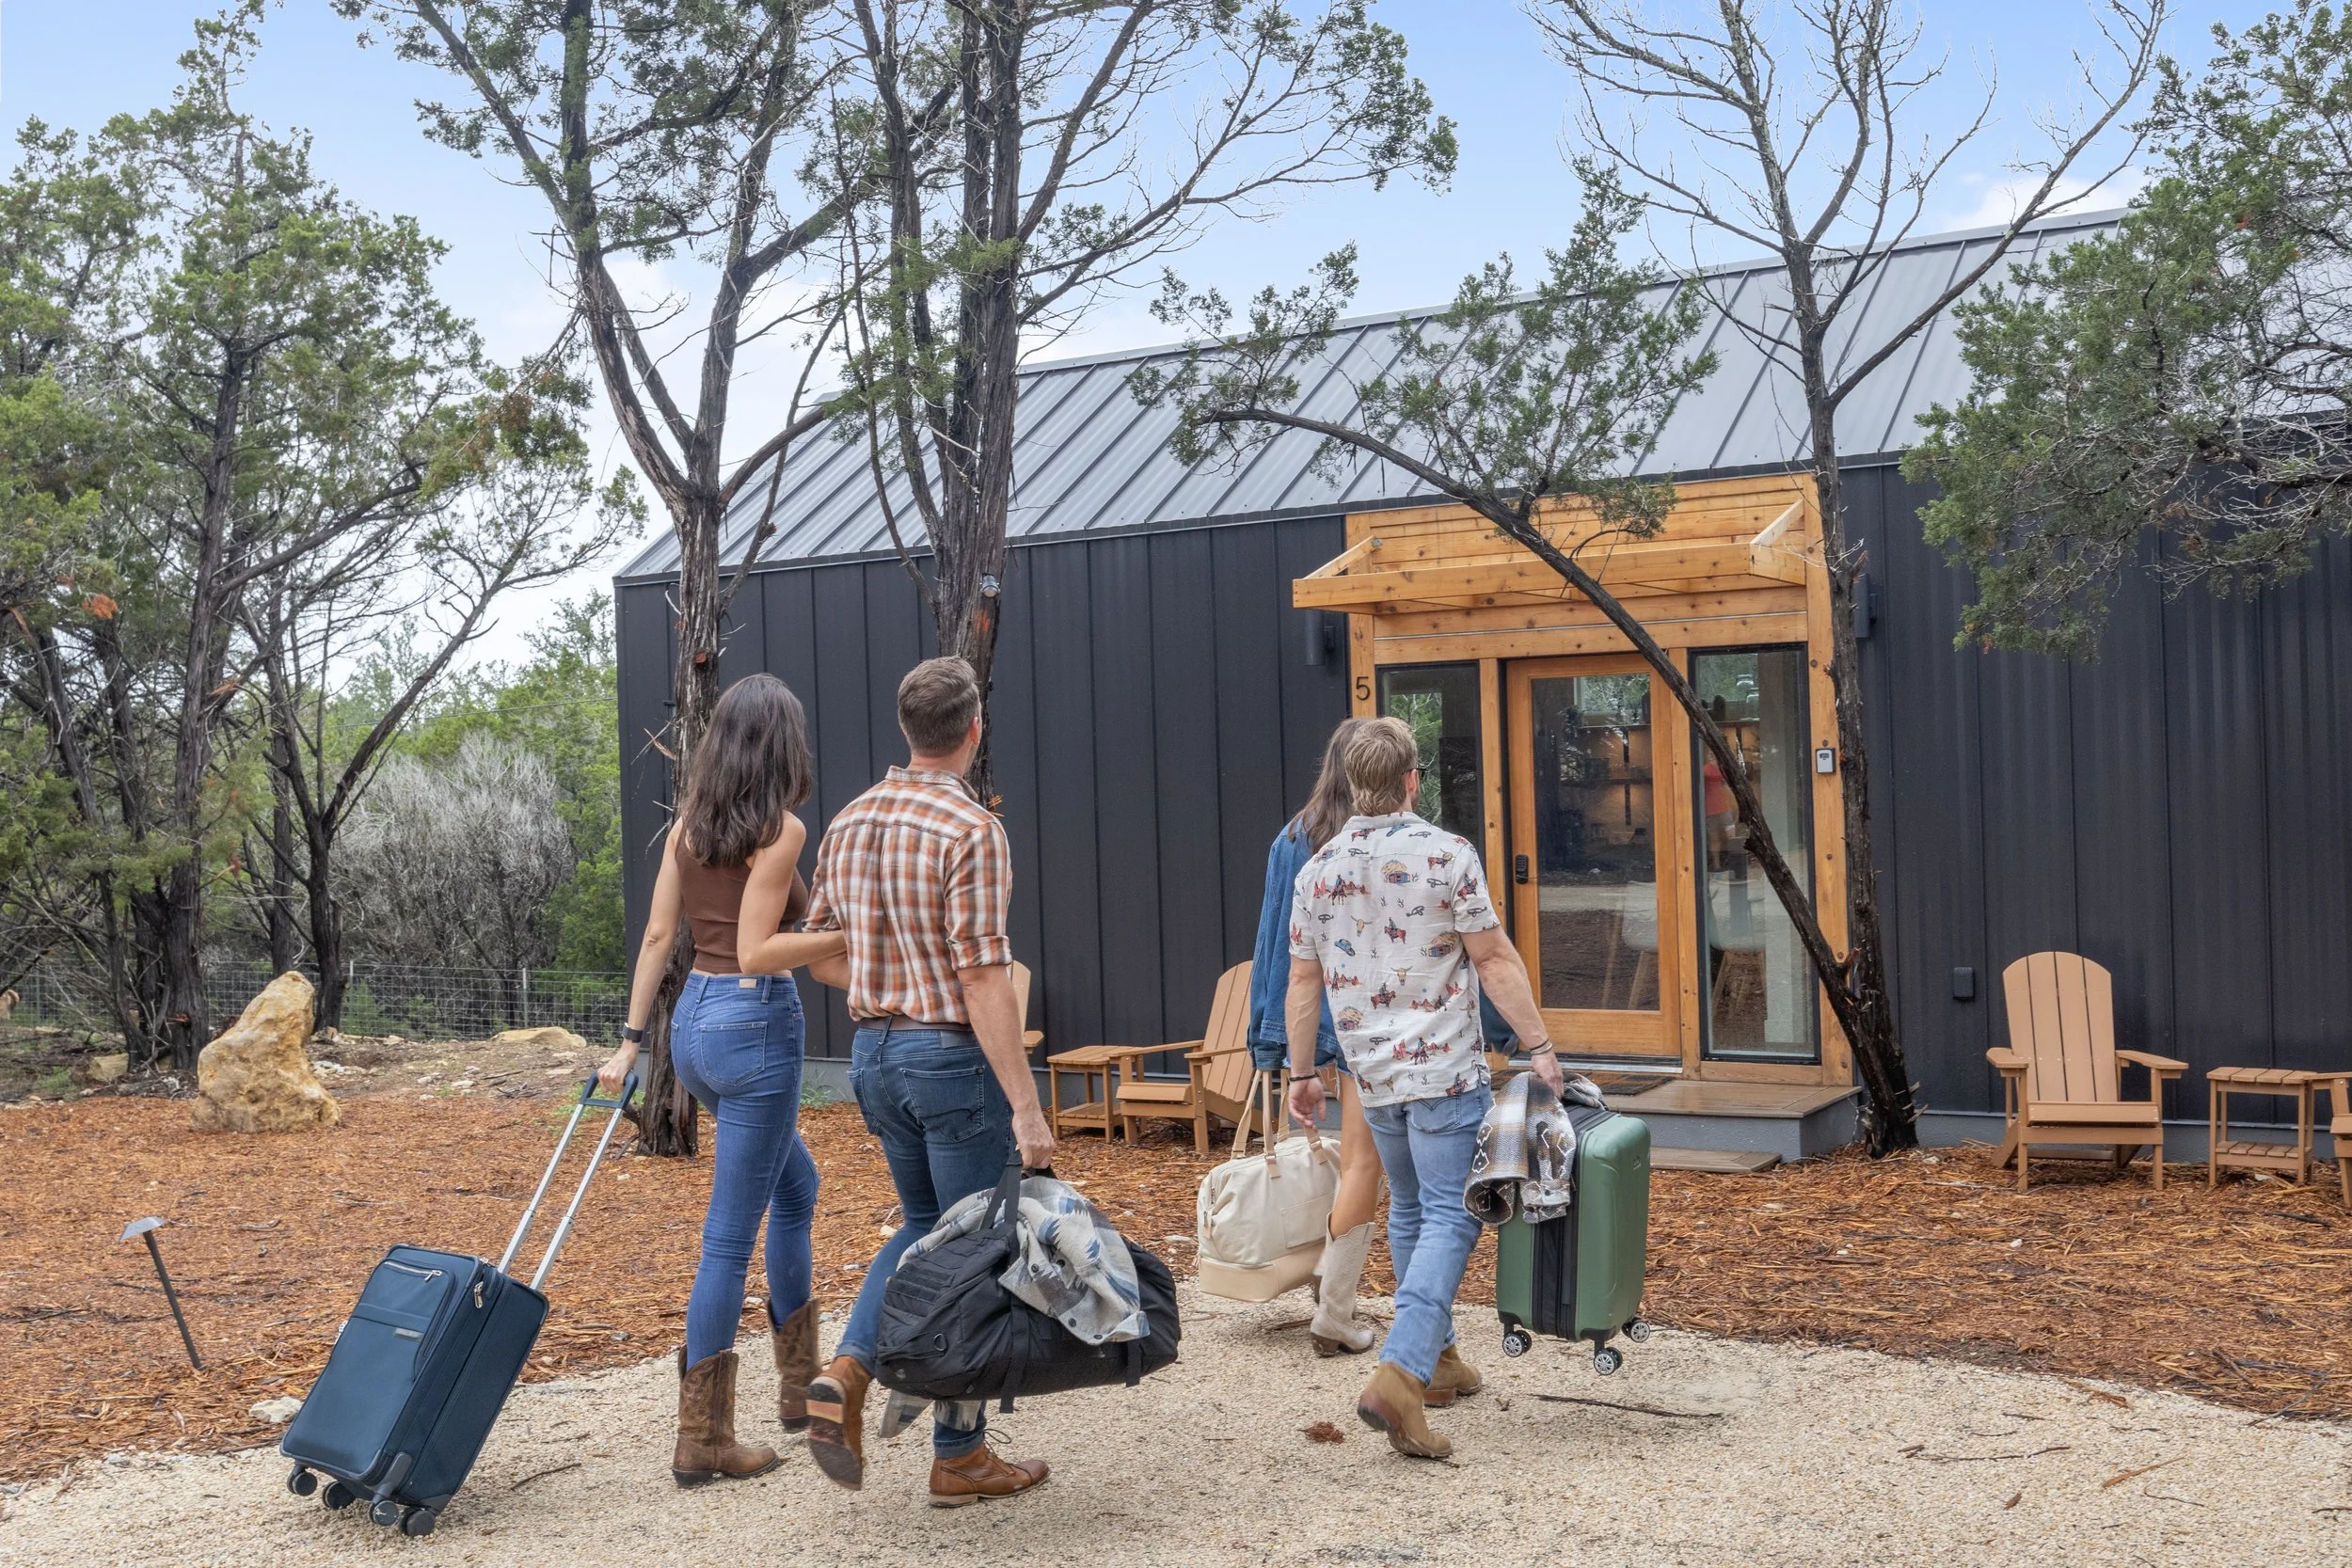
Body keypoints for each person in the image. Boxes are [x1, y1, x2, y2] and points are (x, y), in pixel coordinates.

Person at [800, 656, 1058, 1507]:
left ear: (907, 729)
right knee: (978, 1243)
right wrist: (1028, 1108)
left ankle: (855, 1376)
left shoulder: (847, 820)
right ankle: (953, 1448)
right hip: (947, 1057)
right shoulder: (973, 830)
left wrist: (887, 976)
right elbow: (985, 979)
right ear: (974, 729)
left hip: (872, 1056)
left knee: (927, 1228)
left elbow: (823, 950)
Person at [1285, 716, 1564, 1460]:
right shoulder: (1449, 855)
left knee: (1410, 1206)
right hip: (1443, 1071)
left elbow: (1304, 978)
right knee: (1450, 1214)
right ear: (1413, 780)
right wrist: (1538, 1045)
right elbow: (1495, 957)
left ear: (1349, 783)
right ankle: (1403, 1376)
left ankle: (1438, 1362)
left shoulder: (1318, 870)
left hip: (1372, 1080)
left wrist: (1302, 1073)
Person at [596, 673, 848, 1487]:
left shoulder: (686, 830)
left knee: (797, 1187)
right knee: (727, 1239)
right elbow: (760, 952)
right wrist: (845, 934)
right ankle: (703, 1439)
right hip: (754, 1024)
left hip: (694, 1029)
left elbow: (660, 935)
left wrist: (632, 1042)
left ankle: (792, 1387)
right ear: (784, 746)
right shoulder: (780, 831)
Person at [1247, 718, 1386, 1356]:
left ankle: (1331, 1290)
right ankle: (1333, 1307)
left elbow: (1276, 942)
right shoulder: (1382, 841)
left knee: (1352, 1160)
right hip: (1371, 1018)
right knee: (1364, 1163)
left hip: (1313, 1016)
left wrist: (1275, 1040)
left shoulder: (1294, 836)